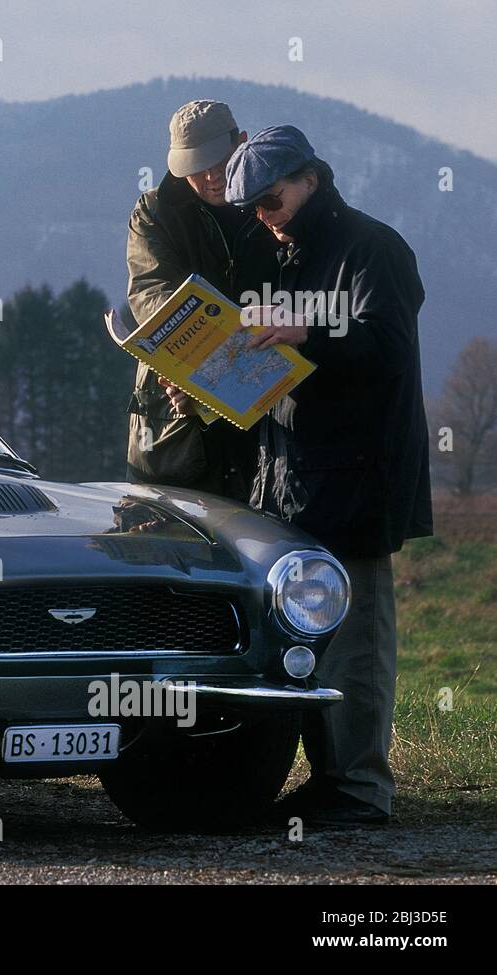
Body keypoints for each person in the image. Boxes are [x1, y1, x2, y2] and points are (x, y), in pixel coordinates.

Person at [224, 125, 433, 827]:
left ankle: (360, 788)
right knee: (306, 642)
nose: (263, 213)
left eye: (271, 198)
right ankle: (330, 779)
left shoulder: (372, 247)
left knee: (357, 644)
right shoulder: (288, 255)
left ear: (309, 178)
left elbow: (389, 345)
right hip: (292, 483)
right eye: (251, 206)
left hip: (356, 482)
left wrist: (305, 334)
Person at [125, 99, 276, 500]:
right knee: (168, 550)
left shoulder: (273, 204)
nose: (211, 177)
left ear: (242, 144)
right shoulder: (155, 211)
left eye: (220, 163)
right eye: (196, 168)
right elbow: (150, 292)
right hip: (174, 420)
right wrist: (199, 359)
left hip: (263, 404)